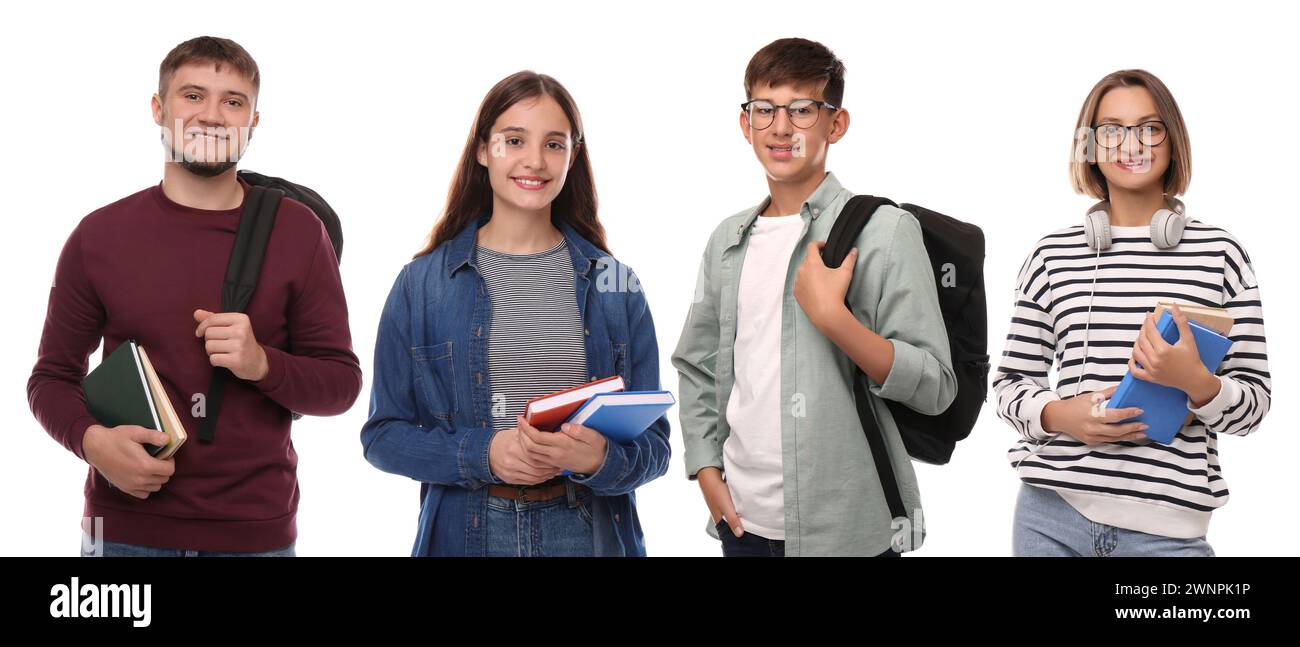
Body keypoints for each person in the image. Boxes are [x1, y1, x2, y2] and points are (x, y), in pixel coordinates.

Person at [28, 36, 362, 557]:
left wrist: (260, 364)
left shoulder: (299, 232)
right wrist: (92, 442)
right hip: (119, 532)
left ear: (253, 121)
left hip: (255, 535)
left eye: (233, 101)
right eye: (192, 96)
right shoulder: (98, 236)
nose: (212, 115)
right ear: (159, 109)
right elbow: (50, 378)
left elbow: (341, 385)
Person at [361, 71, 670, 557]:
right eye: (514, 140)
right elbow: (383, 437)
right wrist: (483, 453)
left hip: (585, 531)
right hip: (468, 533)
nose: (534, 160)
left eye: (553, 144)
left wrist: (600, 459)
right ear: (483, 150)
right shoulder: (422, 284)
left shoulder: (615, 283)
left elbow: (656, 447)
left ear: (573, 155)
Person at [672, 38, 956, 557]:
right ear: (746, 123)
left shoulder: (886, 232)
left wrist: (834, 319)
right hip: (741, 525)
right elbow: (697, 365)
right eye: (765, 110)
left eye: (802, 109)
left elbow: (936, 385)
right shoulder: (727, 240)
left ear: (836, 124)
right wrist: (706, 470)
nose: (781, 128)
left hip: (848, 529)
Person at [994, 69, 1271, 556]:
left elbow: (1254, 406)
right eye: (1111, 129)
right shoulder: (1051, 256)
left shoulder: (1220, 254)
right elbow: (1009, 385)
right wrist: (1061, 415)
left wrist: (1197, 383)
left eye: (1149, 127)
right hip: (1049, 513)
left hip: (1167, 531)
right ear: (1091, 144)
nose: (1131, 144)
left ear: (1172, 140)